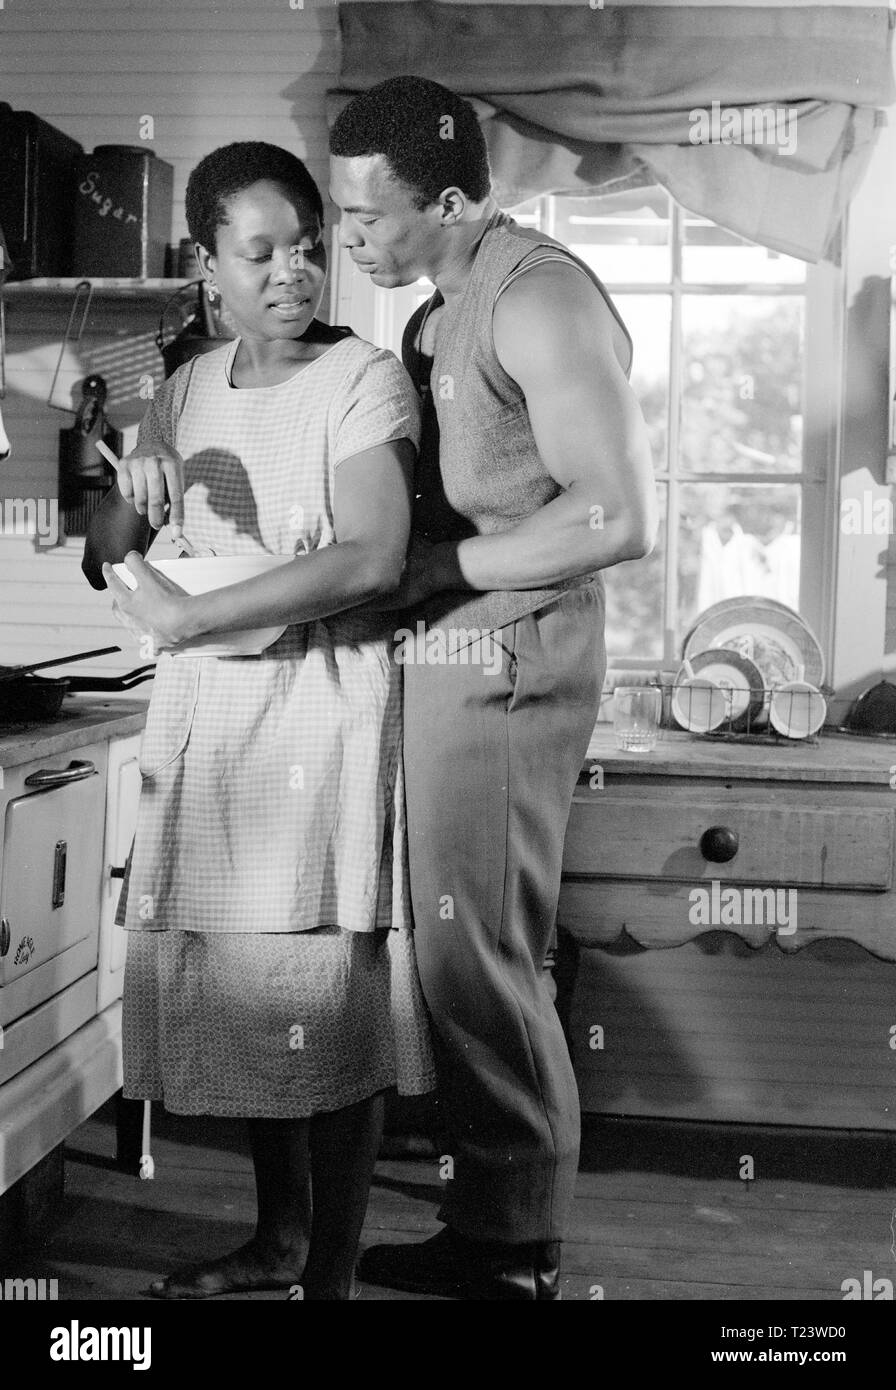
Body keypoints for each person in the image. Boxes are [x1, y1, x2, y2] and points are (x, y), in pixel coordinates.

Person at [83, 141, 435, 1301]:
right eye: (260, 250)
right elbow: (109, 557)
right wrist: (128, 493)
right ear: (208, 264)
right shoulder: (182, 386)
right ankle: (276, 1238)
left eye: (307, 245)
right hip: (213, 725)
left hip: (317, 719)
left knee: (321, 996)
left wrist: (198, 614)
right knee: (242, 990)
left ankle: (326, 1273)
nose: (292, 270)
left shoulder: (364, 380)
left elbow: (372, 556)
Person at [330, 76, 657, 1300]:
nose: (346, 237)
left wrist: (434, 568)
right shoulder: (439, 311)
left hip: (511, 656)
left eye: (367, 216)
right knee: (454, 953)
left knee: (483, 960)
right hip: (454, 653)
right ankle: (492, 1218)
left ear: (455, 199)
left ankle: (514, 1252)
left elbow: (615, 514)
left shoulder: (537, 296)